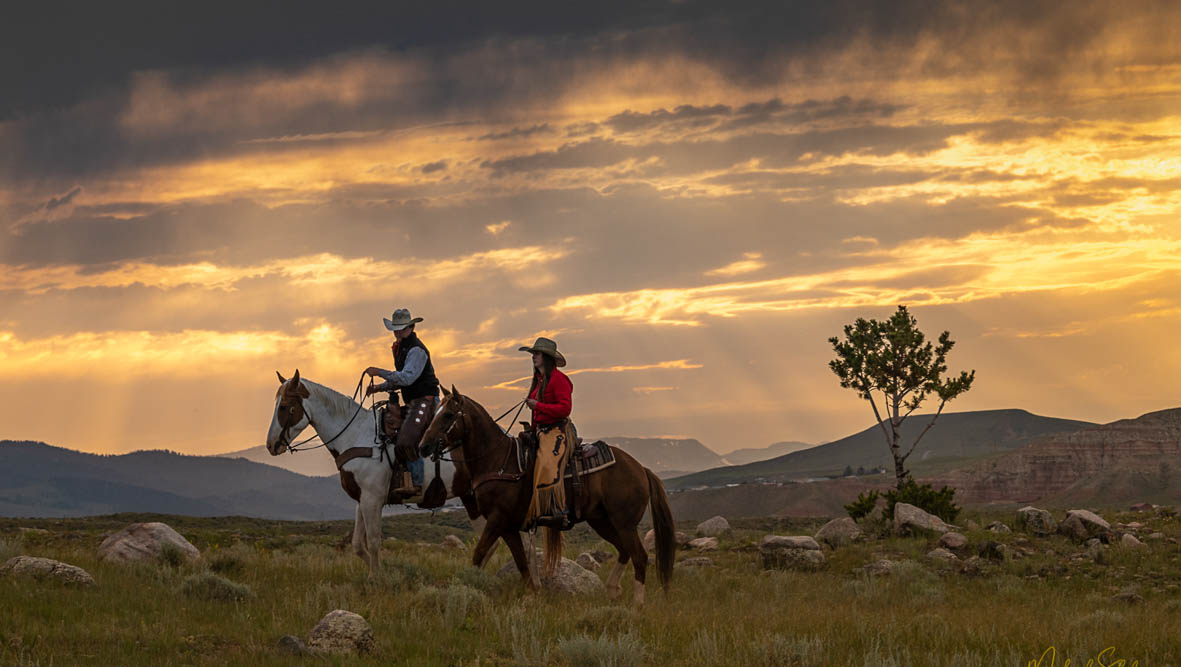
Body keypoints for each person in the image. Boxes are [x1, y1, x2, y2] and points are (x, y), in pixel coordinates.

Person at [363, 308, 440, 497]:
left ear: (411, 327)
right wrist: (379, 388)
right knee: (389, 433)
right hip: (415, 402)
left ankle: (417, 483)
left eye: (401, 328)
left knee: (406, 440)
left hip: (425, 401)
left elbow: (406, 378)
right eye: (395, 328)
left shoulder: (416, 350)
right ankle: (400, 477)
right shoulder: (403, 347)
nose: (397, 332)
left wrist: (379, 371)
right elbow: (400, 378)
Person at [519, 336, 575, 527]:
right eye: (533, 353)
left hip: (556, 430)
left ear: (547, 357)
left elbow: (565, 409)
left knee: (547, 463)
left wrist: (538, 406)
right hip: (541, 430)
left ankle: (555, 508)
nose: (533, 357)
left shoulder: (559, 380)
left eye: (537, 353)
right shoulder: (539, 380)